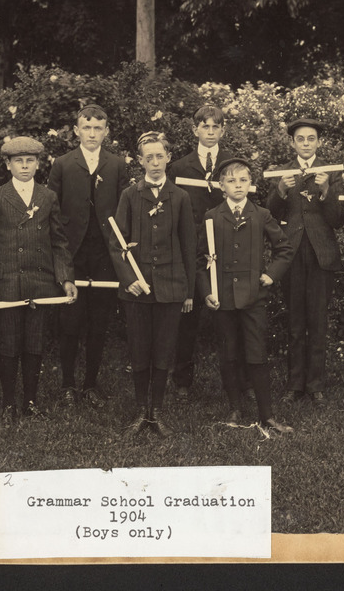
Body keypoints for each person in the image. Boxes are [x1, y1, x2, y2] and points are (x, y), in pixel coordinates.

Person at [109, 132, 197, 437]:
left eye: (160, 156)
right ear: (140, 161)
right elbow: (116, 242)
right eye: (149, 157)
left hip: (171, 288)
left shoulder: (181, 197)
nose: (155, 163)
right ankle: (139, 411)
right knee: (139, 350)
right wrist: (129, 279)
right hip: (137, 290)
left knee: (163, 350)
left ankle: (156, 412)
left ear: (168, 157)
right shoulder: (130, 196)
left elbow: (189, 247)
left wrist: (188, 291)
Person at [200, 157, 296, 435]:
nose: (238, 185)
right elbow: (199, 259)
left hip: (254, 297)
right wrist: (207, 291)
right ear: (221, 186)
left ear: (251, 184)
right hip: (223, 298)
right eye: (231, 181)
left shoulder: (261, 214)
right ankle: (235, 409)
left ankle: (267, 415)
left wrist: (270, 275)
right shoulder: (211, 216)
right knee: (229, 353)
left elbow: (284, 249)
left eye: (243, 180)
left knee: (256, 353)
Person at [0, 136, 77, 422]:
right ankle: (9, 402)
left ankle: (31, 401)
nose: (24, 166)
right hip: (8, 281)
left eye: (30, 161)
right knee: (9, 342)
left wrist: (65, 278)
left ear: (38, 164)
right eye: (18, 161)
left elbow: (59, 242)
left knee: (34, 343)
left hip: (40, 282)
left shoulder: (47, 196)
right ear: (8, 164)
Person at [47, 104, 128, 408]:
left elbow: (125, 209)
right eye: (87, 127)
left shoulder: (117, 164)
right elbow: (51, 210)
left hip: (105, 254)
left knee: (99, 321)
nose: (92, 133)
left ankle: (90, 384)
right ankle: (68, 384)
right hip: (72, 253)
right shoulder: (63, 164)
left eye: (98, 128)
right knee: (70, 320)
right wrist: (59, 252)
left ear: (106, 132)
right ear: (76, 131)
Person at [267, 118, 344, 406]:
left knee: (318, 321)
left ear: (318, 142)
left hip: (321, 254)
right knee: (296, 322)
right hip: (292, 254)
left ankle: (316, 385)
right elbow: (268, 214)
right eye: (301, 139)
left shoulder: (331, 173)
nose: (306, 143)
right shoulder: (282, 172)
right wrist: (281, 191)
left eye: (311, 138)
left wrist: (326, 192)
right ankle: (294, 384)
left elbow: (337, 219)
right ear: (293, 143)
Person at [167, 103, 232, 401]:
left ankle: (232, 379)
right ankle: (182, 380)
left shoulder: (232, 166)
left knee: (227, 316)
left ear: (222, 130)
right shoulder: (180, 167)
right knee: (187, 317)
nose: (210, 131)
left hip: (224, 248)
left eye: (215, 126)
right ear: (195, 129)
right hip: (190, 250)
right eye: (204, 126)